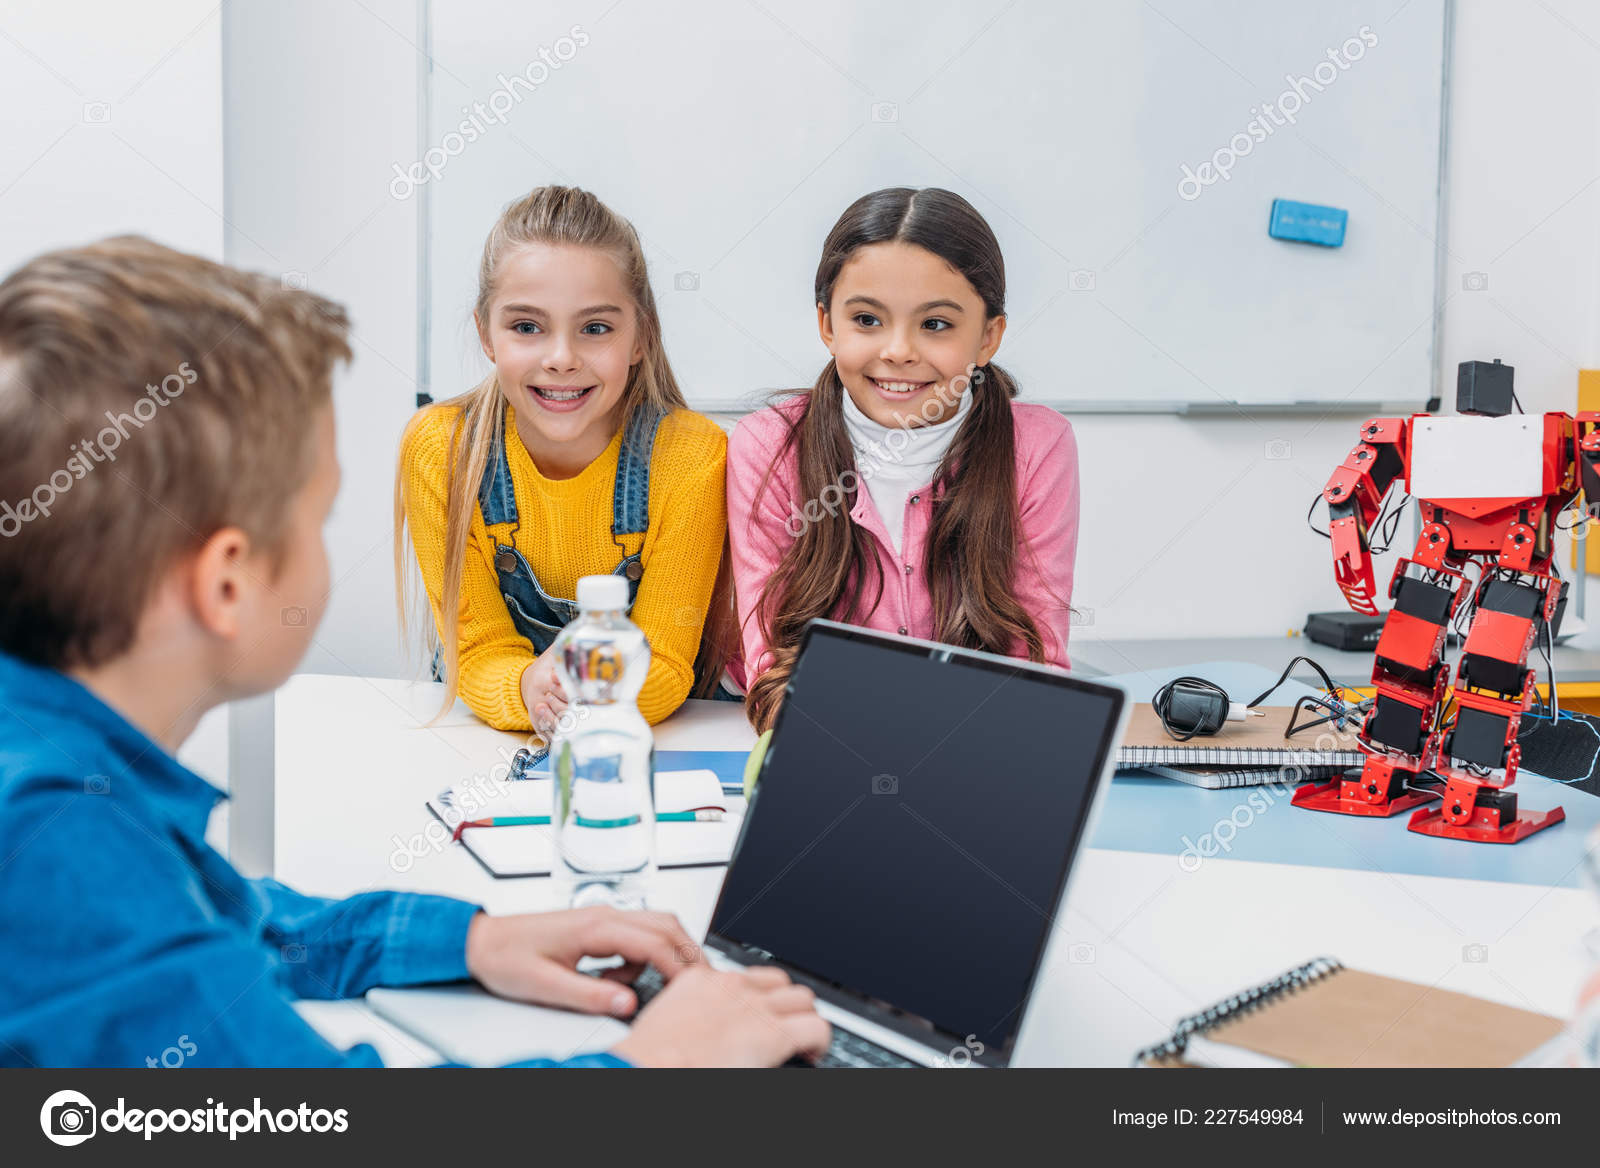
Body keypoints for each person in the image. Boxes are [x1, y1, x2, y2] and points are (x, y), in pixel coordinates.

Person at [0, 236, 826, 1068]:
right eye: (317, 520)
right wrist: (654, 1071)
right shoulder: (62, 855)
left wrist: (471, 943)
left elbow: (234, 918)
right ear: (227, 583)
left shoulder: (55, 792)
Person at [727, 187, 1081, 731]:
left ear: (988, 337)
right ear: (827, 326)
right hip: (813, 737)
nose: (898, 351)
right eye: (867, 320)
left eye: (935, 325)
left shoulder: (1037, 446)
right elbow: (772, 667)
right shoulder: (768, 446)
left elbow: (1033, 669)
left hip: (964, 749)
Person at [397, 186, 734, 735]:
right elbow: (479, 649)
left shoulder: (691, 456)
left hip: (645, 739)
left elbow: (668, 661)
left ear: (641, 336)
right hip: (491, 742)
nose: (561, 359)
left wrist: (584, 697)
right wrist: (528, 687)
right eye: (527, 327)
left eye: (595, 328)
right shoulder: (442, 450)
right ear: (486, 333)